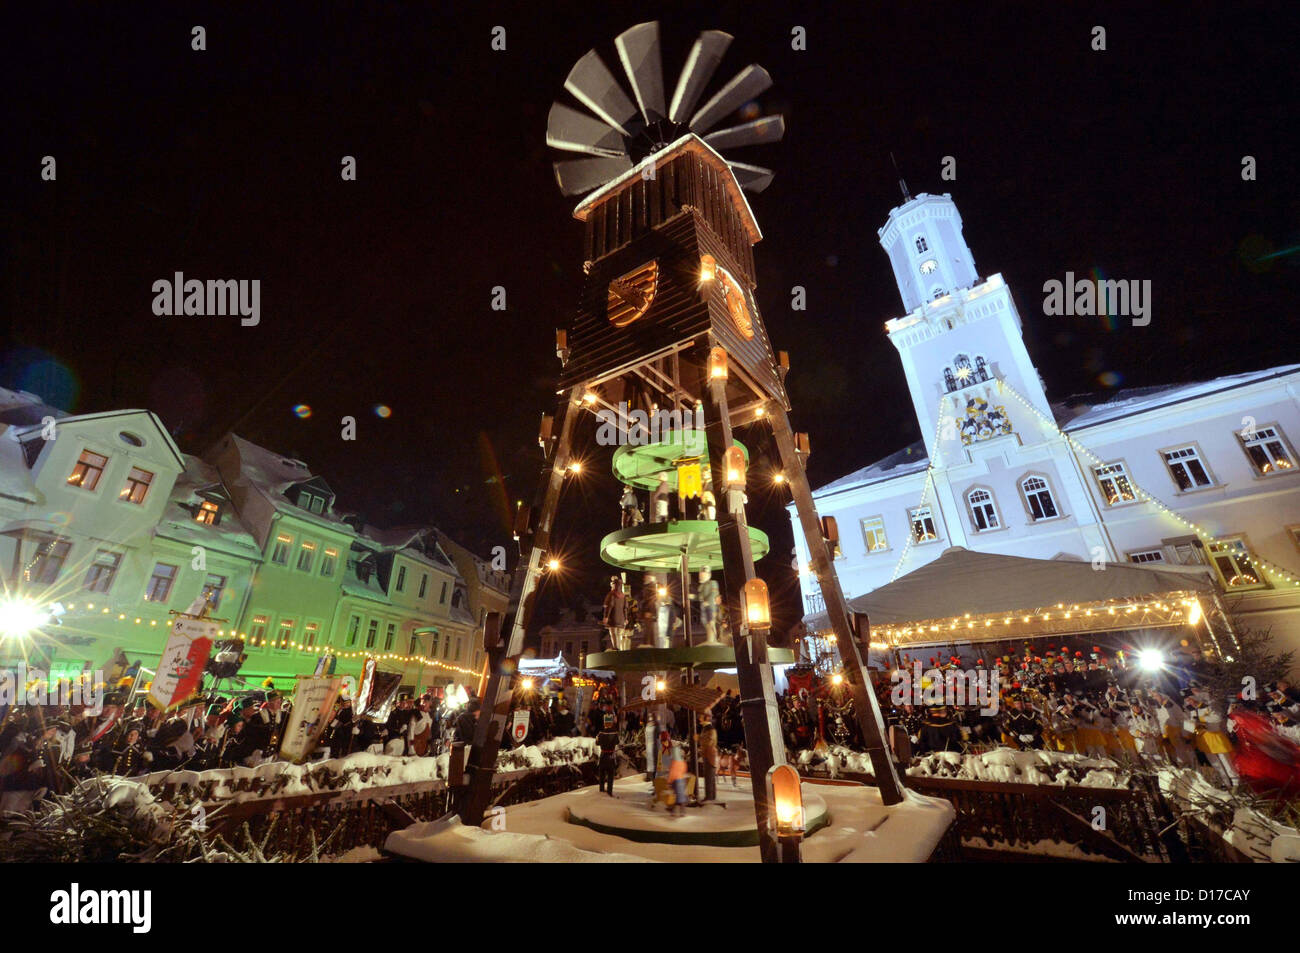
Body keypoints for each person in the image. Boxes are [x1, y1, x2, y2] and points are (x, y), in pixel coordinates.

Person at [603, 576, 632, 651]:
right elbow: (625, 608)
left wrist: (606, 617)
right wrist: (626, 618)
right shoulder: (623, 596)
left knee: (613, 633)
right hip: (622, 619)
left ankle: (615, 647)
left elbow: (609, 606)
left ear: (613, 585)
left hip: (613, 618)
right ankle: (619, 647)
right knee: (619, 634)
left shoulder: (611, 594)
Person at [596, 713, 619, 796]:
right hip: (611, 756)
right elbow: (617, 742)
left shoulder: (601, 733)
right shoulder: (615, 733)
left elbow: (597, 743)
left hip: (603, 756)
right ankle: (609, 792)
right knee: (610, 775)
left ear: (605, 722)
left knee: (602, 775)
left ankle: (601, 791)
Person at [696, 568, 721, 643]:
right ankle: (710, 639)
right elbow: (700, 597)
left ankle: (712, 640)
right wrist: (692, 597)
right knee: (706, 623)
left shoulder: (712, 583)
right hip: (704, 607)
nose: (701, 576)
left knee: (711, 623)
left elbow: (713, 593)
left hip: (711, 606)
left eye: (703, 574)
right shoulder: (702, 586)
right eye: (701, 574)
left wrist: (708, 602)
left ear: (708, 575)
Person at [698, 714, 719, 802]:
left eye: (701, 717)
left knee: (709, 776)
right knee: (710, 776)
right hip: (709, 754)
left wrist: (699, 739)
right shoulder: (708, 728)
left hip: (709, 754)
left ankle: (709, 797)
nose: (699, 719)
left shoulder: (709, 729)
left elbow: (708, 741)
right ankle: (711, 796)